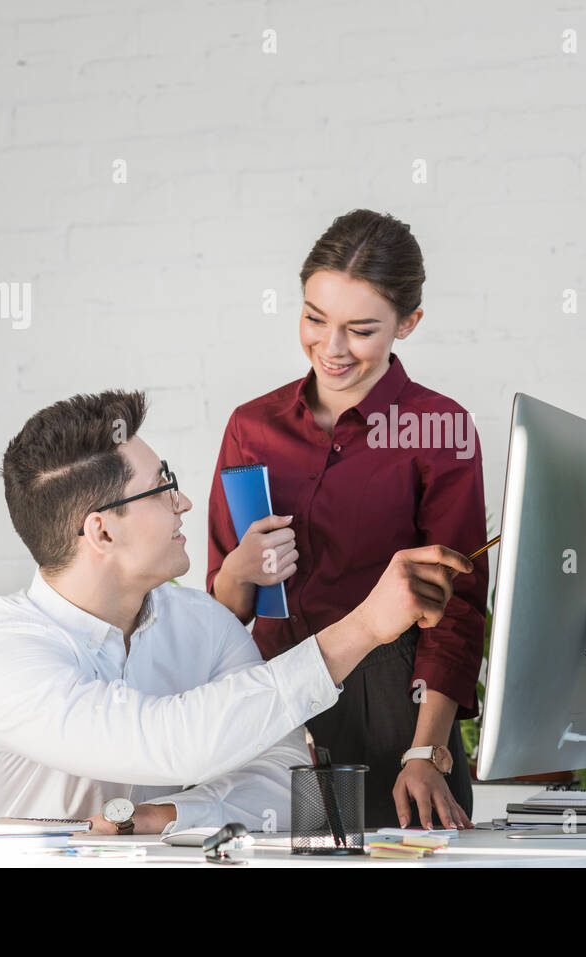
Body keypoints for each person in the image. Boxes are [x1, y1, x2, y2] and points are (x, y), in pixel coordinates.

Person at [0, 389, 472, 835]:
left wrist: (171, 815)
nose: (184, 502)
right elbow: (171, 740)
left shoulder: (204, 626)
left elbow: (281, 774)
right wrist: (365, 627)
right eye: (162, 487)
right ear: (102, 530)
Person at [207, 209, 489, 830]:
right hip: (275, 707)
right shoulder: (250, 428)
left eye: (360, 330)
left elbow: (458, 608)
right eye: (314, 318)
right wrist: (238, 569)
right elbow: (222, 614)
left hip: (400, 711)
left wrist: (426, 752)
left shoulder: (438, 431)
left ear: (408, 323)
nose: (330, 349)